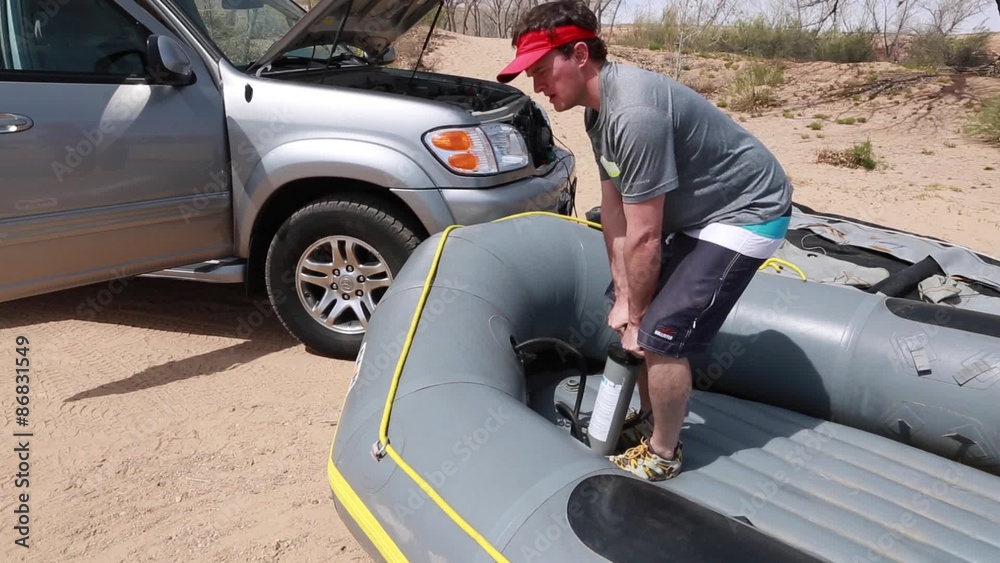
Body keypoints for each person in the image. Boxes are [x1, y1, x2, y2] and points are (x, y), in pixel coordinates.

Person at [497, 1, 793, 481]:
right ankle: (652, 418)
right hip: (700, 212)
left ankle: (663, 454)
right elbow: (613, 207)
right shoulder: (597, 113)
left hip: (749, 211)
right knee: (633, 310)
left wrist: (639, 318)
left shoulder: (635, 113)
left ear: (579, 55)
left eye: (541, 70)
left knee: (660, 333)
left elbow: (647, 236)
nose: (537, 86)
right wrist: (624, 298)